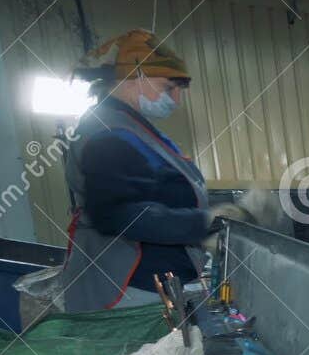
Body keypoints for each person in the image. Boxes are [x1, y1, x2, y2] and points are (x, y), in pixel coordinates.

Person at [44, 29, 272, 313]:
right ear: (135, 77)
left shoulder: (134, 129)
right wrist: (205, 223)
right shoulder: (109, 133)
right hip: (130, 291)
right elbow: (120, 214)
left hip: (159, 285)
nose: (176, 100)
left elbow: (166, 194)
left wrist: (230, 211)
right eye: (169, 87)